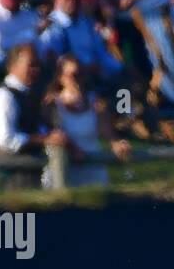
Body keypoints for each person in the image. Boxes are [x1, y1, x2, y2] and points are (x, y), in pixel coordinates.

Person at [42, 54, 132, 187]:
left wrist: (117, 144)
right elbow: (51, 134)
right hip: (64, 171)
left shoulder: (95, 103)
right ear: (61, 77)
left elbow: (108, 133)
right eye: (73, 75)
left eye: (81, 74)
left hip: (93, 170)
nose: (77, 79)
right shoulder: (52, 104)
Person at [0, 44, 69, 189]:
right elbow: (7, 139)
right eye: (31, 65)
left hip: (35, 176)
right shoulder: (3, 97)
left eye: (38, 65)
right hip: (15, 178)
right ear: (13, 65)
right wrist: (45, 139)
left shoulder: (31, 95)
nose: (36, 70)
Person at [39, 0, 126, 92]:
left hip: (98, 76)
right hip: (74, 82)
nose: (72, 1)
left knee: (126, 89)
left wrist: (120, 69)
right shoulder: (52, 26)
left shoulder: (87, 21)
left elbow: (101, 52)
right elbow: (54, 61)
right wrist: (83, 70)